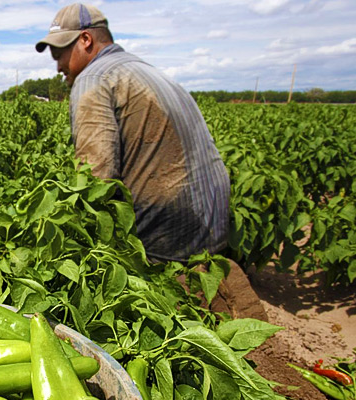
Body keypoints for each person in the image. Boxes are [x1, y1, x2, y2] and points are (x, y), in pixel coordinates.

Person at [35, 4, 230, 263]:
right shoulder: (148, 70)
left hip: (168, 240)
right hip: (215, 225)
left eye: (60, 54)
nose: (58, 67)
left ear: (86, 40)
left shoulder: (93, 78)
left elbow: (96, 176)